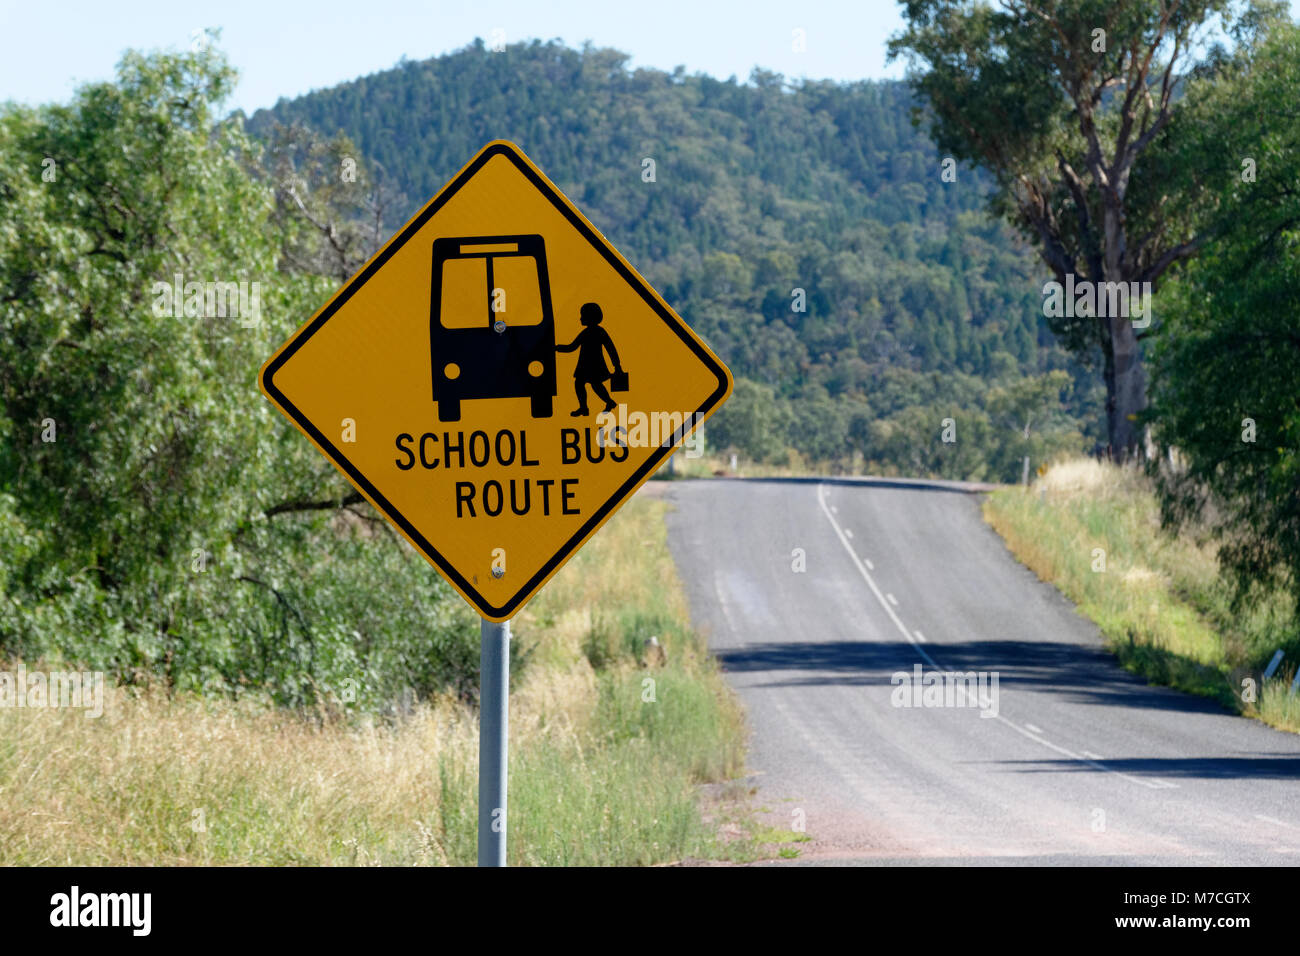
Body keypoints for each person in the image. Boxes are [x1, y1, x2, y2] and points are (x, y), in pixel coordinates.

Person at [556, 302, 622, 416]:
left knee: (594, 384)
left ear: (590, 317)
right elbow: (572, 347)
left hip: (595, 365)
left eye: (583, 315)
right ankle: (586, 407)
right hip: (585, 365)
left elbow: (611, 349)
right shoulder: (585, 333)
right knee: (582, 383)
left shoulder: (599, 332)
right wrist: (557, 348)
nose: (580, 318)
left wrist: (617, 366)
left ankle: (607, 402)